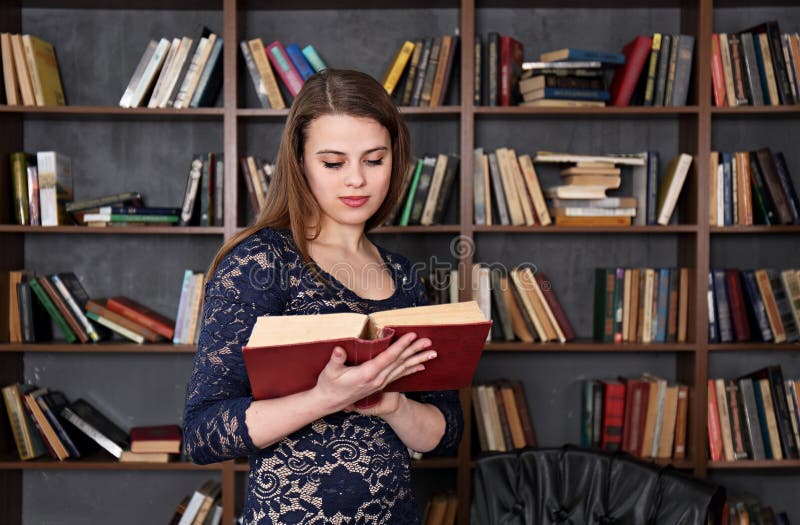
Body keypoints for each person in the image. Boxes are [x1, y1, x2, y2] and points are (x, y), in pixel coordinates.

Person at [183, 69, 463, 524]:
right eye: (333, 163)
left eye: (374, 160)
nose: (356, 180)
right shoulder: (263, 261)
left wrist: (391, 403)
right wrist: (325, 397)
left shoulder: (406, 276)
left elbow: (446, 432)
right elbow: (202, 436)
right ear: (299, 161)